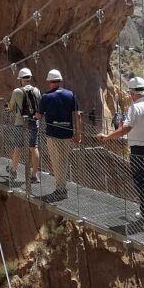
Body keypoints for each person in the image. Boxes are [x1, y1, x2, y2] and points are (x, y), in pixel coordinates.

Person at [96, 77, 144, 224]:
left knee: (140, 181)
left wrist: (107, 137)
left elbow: (126, 129)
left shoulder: (135, 108)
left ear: (133, 93)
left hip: (139, 149)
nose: (130, 96)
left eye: (131, 93)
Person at [36, 69, 82, 199]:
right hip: (67, 133)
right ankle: (61, 187)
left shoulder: (46, 97)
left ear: (49, 81)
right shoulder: (70, 95)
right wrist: (78, 133)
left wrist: (35, 114)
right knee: (63, 160)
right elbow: (78, 115)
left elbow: (39, 116)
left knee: (56, 162)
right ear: (59, 80)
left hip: (53, 134)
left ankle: (61, 189)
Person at [6, 68, 41, 182]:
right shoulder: (36, 90)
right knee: (33, 147)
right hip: (33, 122)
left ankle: (14, 171)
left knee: (18, 147)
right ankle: (34, 175)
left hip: (20, 123)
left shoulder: (17, 91)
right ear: (30, 78)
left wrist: (14, 107)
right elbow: (40, 106)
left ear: (20, 79)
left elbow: (11, 108)